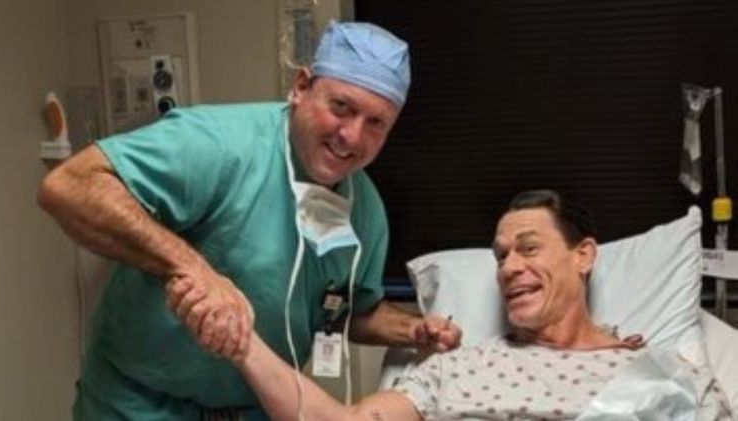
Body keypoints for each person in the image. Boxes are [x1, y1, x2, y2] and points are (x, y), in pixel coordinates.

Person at [37, 21, 461, 420]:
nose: (351, 135)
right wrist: (193, 269)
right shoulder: (220, 145)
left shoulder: (365, 210)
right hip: (138, 404)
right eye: (341, 107)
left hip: (252, 409)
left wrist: (412, 330)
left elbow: (350, 312)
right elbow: (69, 186)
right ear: (301, 87)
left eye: (376, 124)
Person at [168, 189, 735, 420]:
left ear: (583, 255)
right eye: (501, 256)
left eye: (528, 248)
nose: (508, 267)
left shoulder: (663, 372)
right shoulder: (458, 369)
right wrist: (243, 344)